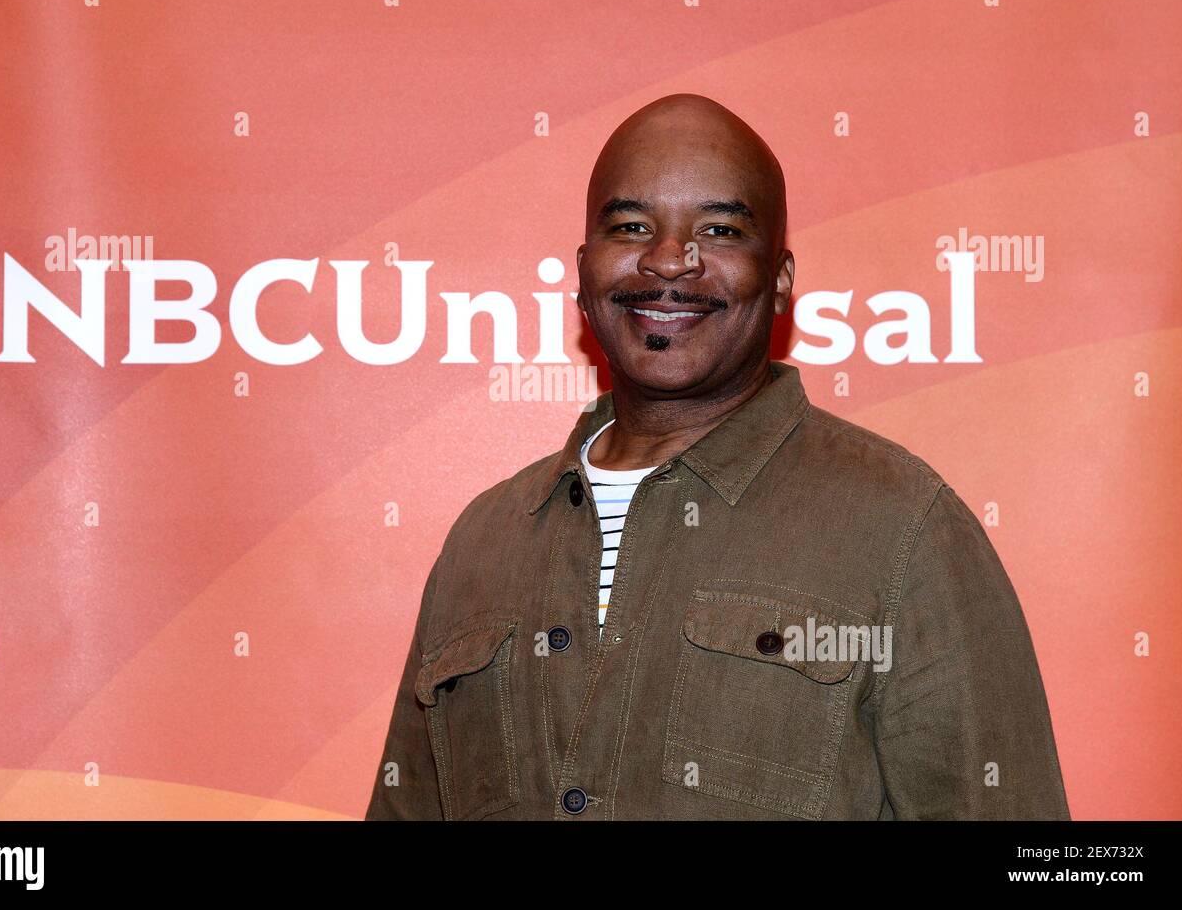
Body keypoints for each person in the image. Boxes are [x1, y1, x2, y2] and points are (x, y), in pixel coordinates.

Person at [365, 93, 1070, 820]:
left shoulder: (903, 530)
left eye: (720, 228)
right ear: (584, 270)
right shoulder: (483, 542)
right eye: (632, 225)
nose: (672, 257)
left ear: (782, 277)